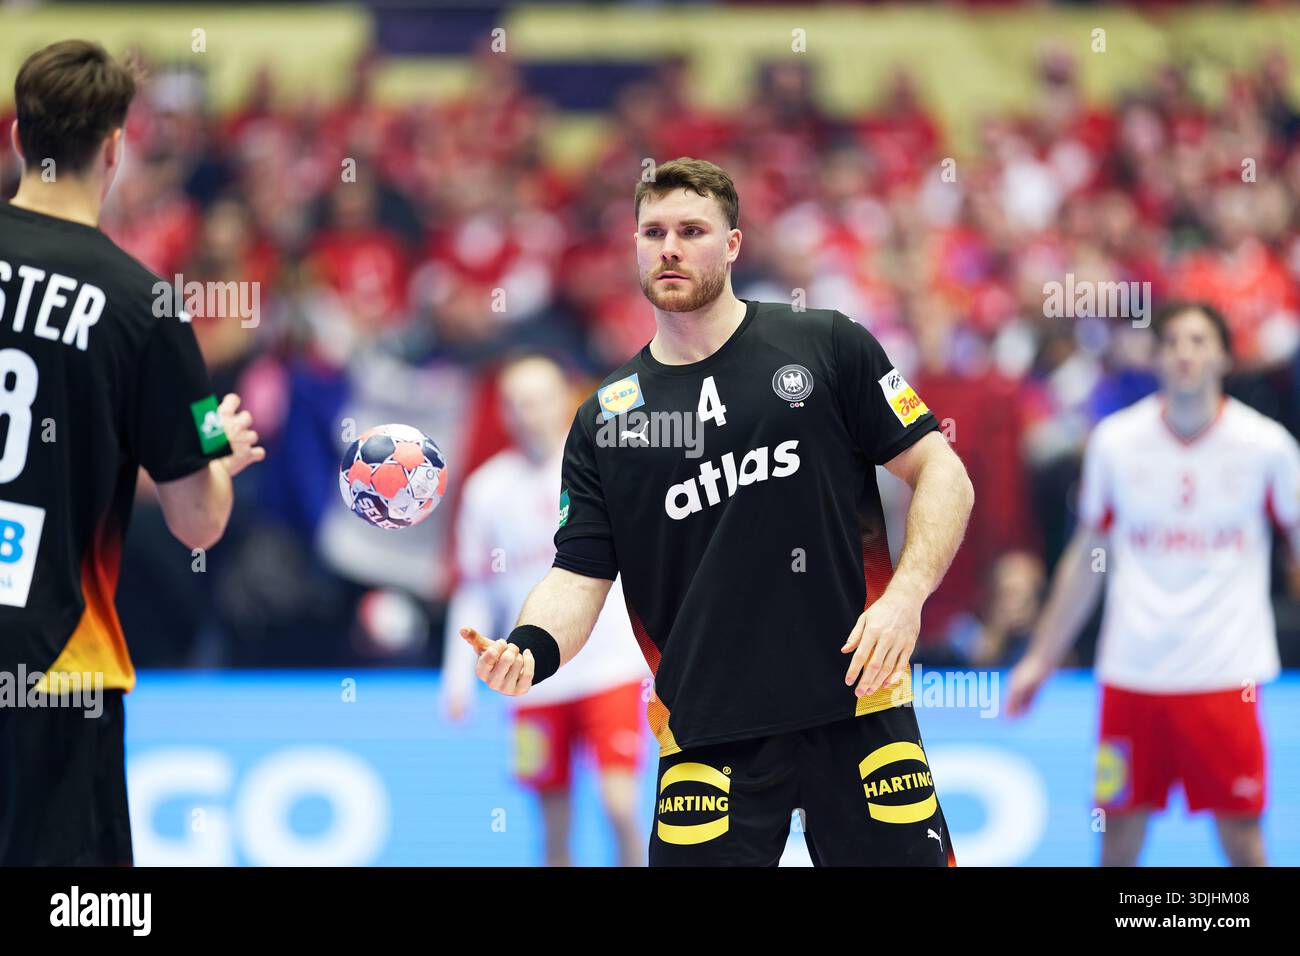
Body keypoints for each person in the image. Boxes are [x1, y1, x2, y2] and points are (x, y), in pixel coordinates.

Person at [460, 157, 974, 866]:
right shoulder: (608, 417)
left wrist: (907, 597)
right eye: (653, 232)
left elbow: (942, 470)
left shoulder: (825, 343)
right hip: (704, 728)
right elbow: (579, 573)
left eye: (692, 230)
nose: (669, 247)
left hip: (859, 702)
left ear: (732, 245)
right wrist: (530, 646)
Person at [0, 40, 264, 865]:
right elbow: (196, 522)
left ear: (17, 139)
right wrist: (221, 447)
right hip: (56, 665)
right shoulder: (144, 305)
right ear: (115, 148)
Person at [1008, 301, 1300, 867]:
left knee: (1243, 839)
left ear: (1223, 356)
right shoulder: (1117, 441)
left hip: (1225, 674)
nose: (1184, 354)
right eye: (1171, 343)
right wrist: (1039, 659)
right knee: (1117, 838)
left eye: (1198, 341)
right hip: (1132, 674)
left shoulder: (1266, 447)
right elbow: (1086, 558)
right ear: (1158, 358)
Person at [442, 352, 650, 866]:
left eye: (535, 399)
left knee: (619, 804)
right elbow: (473, 587)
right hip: (530, 682)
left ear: (564, 400)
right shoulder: (486, 489)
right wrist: (456, 677)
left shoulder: (602, 462)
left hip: (612, 669)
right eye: (513, 402)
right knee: (552, 824)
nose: (525, 412)